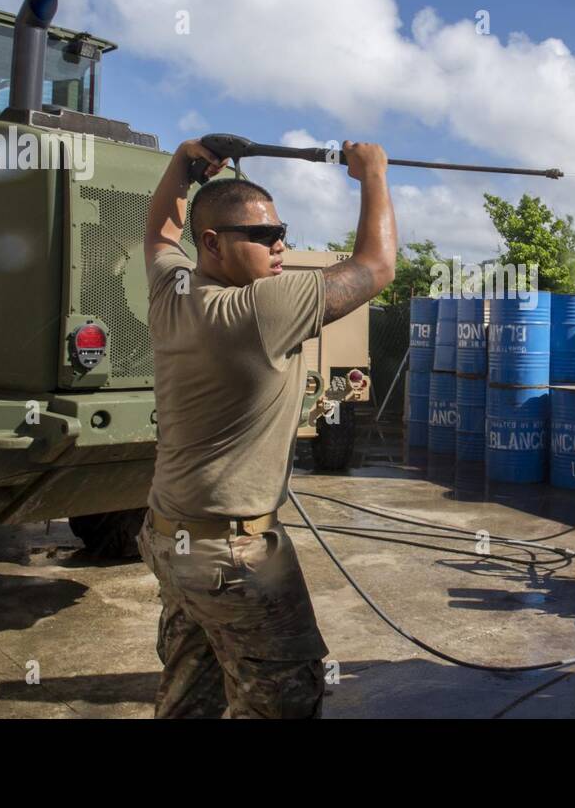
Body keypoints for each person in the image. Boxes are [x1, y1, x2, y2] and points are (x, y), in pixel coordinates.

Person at [138, 138, 396, 717]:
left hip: (171, 539)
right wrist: (373, 173)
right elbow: (376, 266)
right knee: (285, 701)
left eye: (281, 230)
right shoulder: (255, 311)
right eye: (261, 236)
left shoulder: (173, 289)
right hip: (233, 557)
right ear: (211, 243)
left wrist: (183, 161)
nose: (280, 244)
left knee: (192, 690)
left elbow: (158, 232)